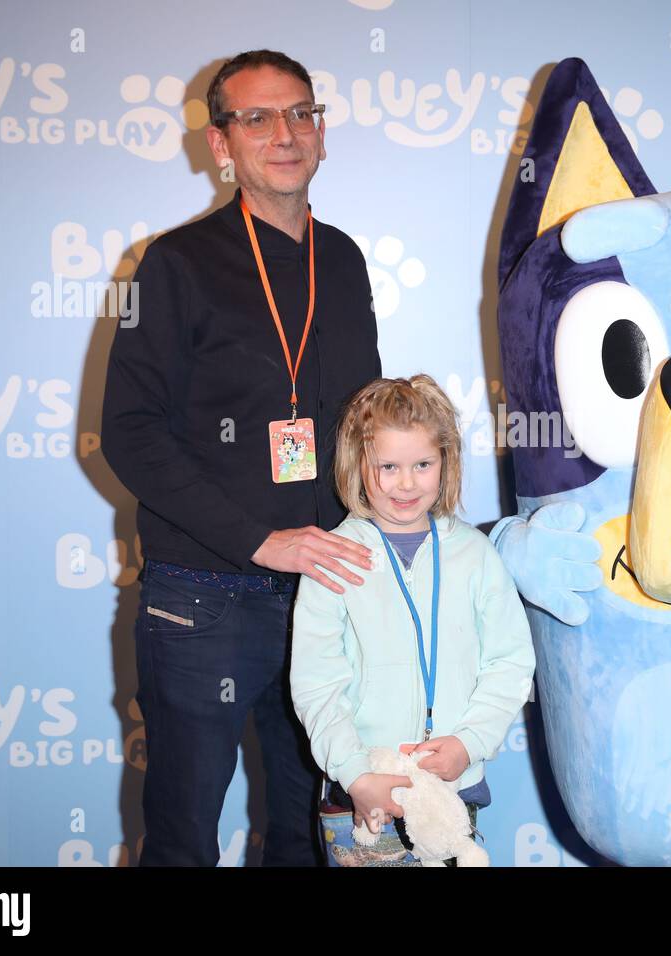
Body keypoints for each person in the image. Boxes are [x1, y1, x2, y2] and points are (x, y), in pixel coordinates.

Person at [101, 49, 381, 866]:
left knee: (307, 833)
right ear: (221, 146)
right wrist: (261, 540)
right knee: (185, 840)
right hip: (205, 601)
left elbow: (365, 424)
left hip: (325, 599)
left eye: (300, 113)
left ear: (321, 134)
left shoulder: (346, 259)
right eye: (256, 117)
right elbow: (131, 432)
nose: (284, 133)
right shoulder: (175, 264)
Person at [290, 375, 536, 866]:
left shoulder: (475, 554)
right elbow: (317, 683)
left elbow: (511, 663)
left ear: (446, 462)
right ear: (359, 465)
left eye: (422, 464)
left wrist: (469, 744)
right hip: (361, 797)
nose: (406, 483)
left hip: (451, 792)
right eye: (389, 466)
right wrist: (355, 773)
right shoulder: (334, 558)